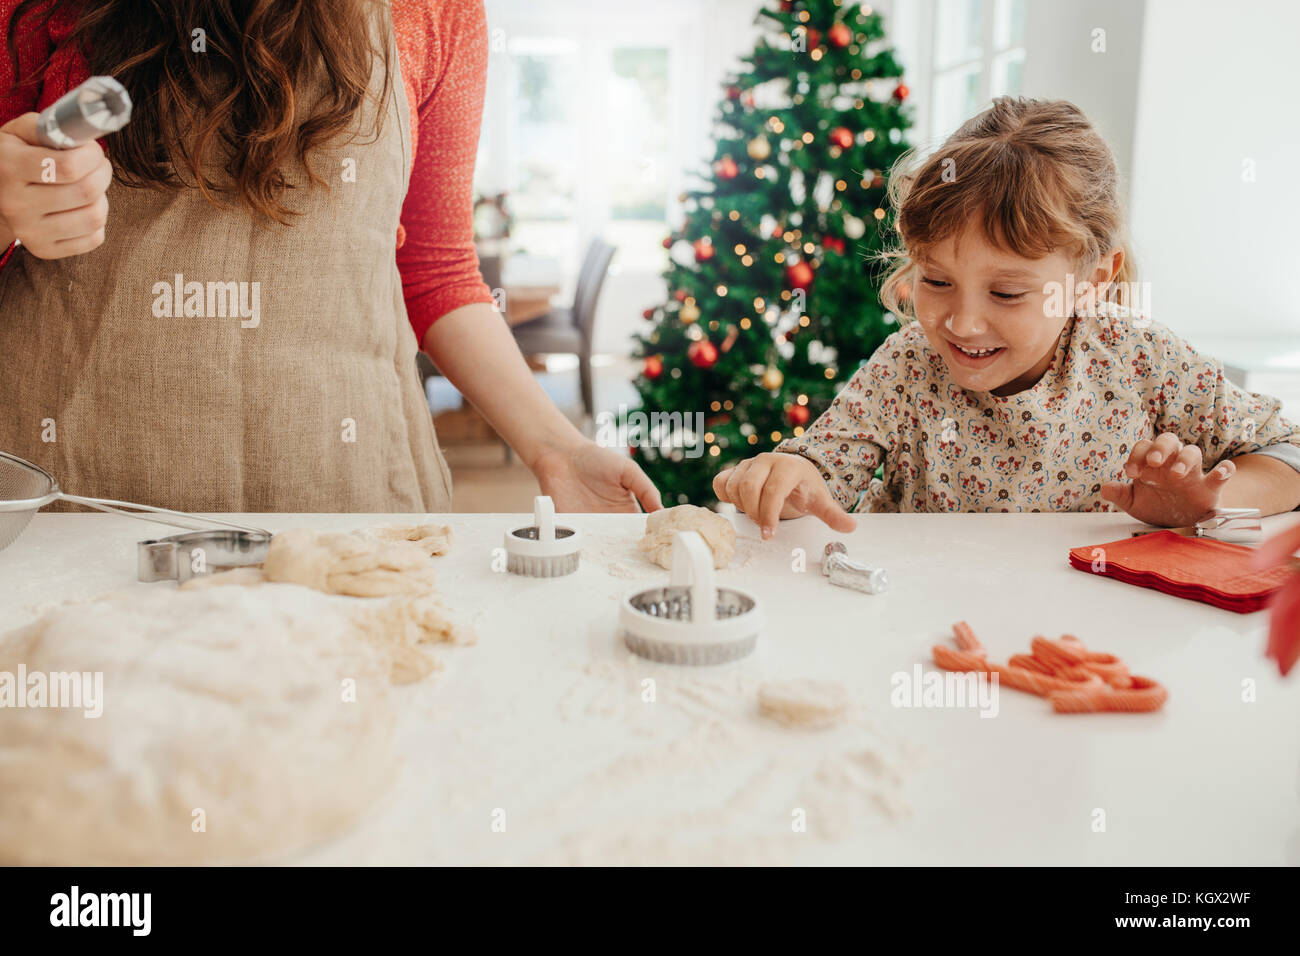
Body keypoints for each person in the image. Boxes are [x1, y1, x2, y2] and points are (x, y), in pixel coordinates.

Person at [0, 0, 661, 514]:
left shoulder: (438, 11)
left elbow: (437, 271)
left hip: (348, 498)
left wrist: (559, 449)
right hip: (81, 496)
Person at [715, 97, 1300, 537]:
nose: (962, 324)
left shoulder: (1141, 360)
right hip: (918, 634)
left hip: (1087, 642)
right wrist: (784, 481)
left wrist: (1205, 503)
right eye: (937, 281)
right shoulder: (907, 366)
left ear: (1090, 281)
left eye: (1009, 294)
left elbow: (1288, 454)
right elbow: (820, 479)